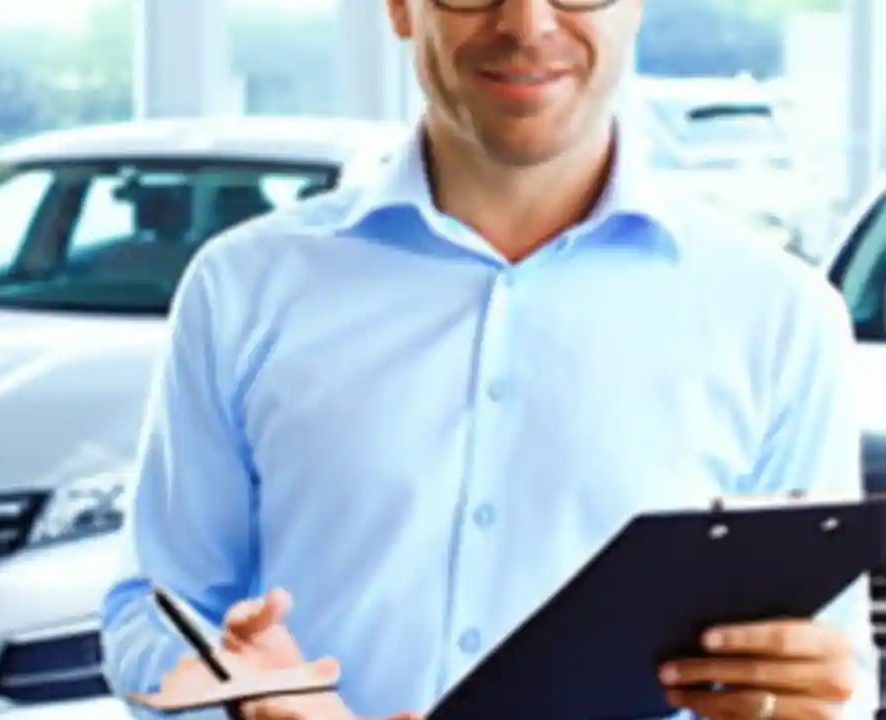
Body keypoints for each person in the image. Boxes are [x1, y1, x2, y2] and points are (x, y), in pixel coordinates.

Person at [99, 0, 879, 718]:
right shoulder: (244, 287)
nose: (528, 22)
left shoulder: (778, 313)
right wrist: (242, 695)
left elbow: (829, 668)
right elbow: (150, 611)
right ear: (401, 8)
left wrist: (802, 704)